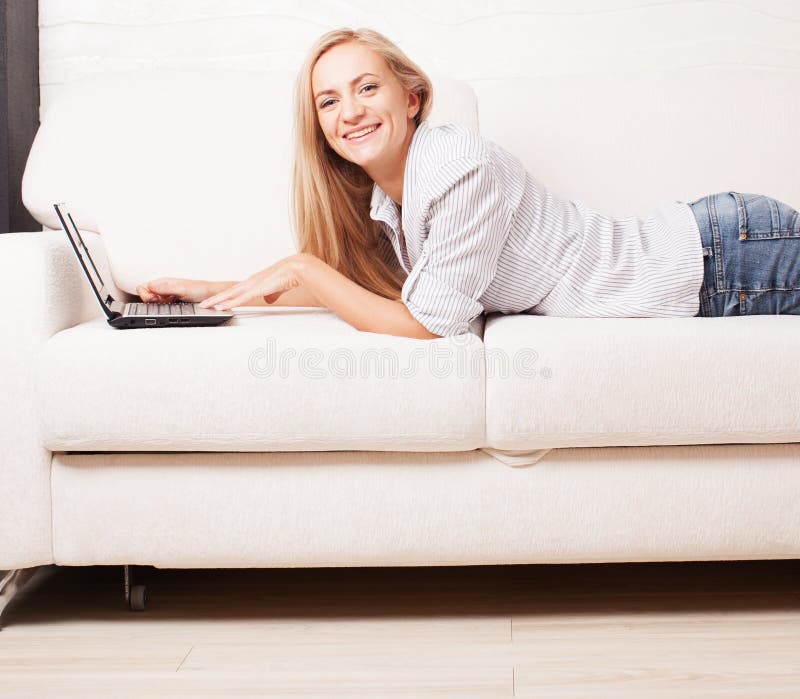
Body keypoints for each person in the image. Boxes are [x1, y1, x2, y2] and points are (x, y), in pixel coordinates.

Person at [137, 27, 800, 338]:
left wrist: (307, 269)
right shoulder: (392, 200)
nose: (351, 111)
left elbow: (430, 322)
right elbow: (351, 294)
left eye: (367, 87)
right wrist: (209, 293)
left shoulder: (457, 170)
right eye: (330, 100)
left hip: (726, 258)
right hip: (714, 253)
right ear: (320, 126)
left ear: (412, 97)